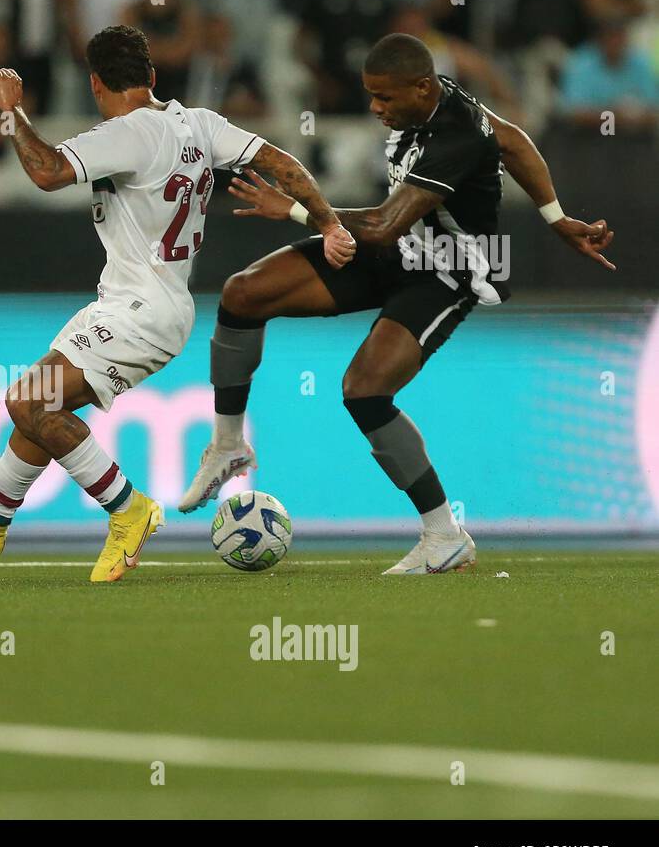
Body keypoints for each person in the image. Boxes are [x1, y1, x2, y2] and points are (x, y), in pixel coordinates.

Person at [0, 24, 353, 583]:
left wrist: (13, 113)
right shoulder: (201, 123)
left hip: (140, 312)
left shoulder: (123, 134)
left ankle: (129, 510)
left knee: (29, 402)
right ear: (151, 75)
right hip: (138, 302)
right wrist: (326, 220)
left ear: (95, 83)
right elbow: (283, 164)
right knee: (41, 411)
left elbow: (46, 172)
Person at [179, 32, 615, 575]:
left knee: (364, 390)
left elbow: (384, 225)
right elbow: (513, 142)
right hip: (399, 249)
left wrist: (294, 209)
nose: (375, 108)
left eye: (384, 98)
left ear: (421, 87)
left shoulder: (453, 135)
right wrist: (556, 218)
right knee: (245, 293)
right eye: (371, 95)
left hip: (445, 272)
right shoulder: (444, 98)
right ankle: (226, 445)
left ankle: (443, 536)